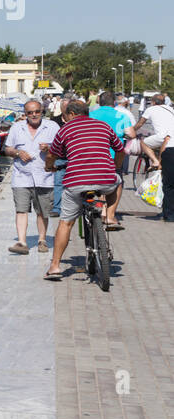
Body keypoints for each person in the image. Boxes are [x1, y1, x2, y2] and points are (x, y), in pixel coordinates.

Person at [44, 100, 124, 280]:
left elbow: (52, 154)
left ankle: (55, 266)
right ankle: (110, 217)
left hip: (76, 183)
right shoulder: (103, 126)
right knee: (117, 181)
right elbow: (120, 150)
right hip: (105, 179)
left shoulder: (65, 130)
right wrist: (115, 167)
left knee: (66, 223)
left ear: (71, 114)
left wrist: (49, 167)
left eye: (65, 116)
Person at [3, 99, 58, 254]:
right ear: (25, 114)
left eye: (37, 112)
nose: (34, 115)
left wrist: (49, 148)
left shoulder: (52, 127)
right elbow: (7, 149)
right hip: (22, 176)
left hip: (44, 175)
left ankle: (42, 240)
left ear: (42, 111)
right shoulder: (16, 127)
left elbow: (61, 148)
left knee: (42, 211)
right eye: (30, 113)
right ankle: (21, 242)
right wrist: (18, 152)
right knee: (21, 209)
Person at [128, 93, 174, 221]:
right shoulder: (170, 109)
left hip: (164, 139)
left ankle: (154, 161)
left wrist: (132, 130)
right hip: (169, 138)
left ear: (153, 102)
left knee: (144, 142)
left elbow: (140, 124)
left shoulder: (150, 109)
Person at [89, 91, 129, 225]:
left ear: (99, 102)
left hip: (94, 155)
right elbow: (131, 133)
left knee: (98, 182)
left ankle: (101, 211)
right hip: (113, 156)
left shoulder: (91, 115)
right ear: (115, 103)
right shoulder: (121, 115)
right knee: (116, 182)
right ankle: (110, 216)